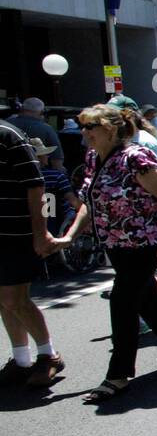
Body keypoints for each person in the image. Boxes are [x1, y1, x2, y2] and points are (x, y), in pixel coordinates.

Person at [54, 105, 157, 402]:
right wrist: (70, 236)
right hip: (115, 243)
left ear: (111, 129)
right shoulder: (92, 158)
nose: (85, 133)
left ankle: (118, 374)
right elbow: (88, 202)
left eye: (92, 127)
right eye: (84, 127)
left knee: (123, 301)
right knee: (147, 299)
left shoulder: (136, 157)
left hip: (145, 241)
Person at [0, 119, 63, 387]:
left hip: (15, 233)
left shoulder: (8, 135)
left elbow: (36, 186)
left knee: (15, 299)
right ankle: (21, 359)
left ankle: (49, 355)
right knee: (3, 300)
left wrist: (40, 232)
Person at [8, 97, 64, 170]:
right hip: (37, 172)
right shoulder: (46, 128)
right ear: (41, 111)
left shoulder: (6, 123)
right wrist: (58, 175)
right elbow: (56, 158)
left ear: (22, 108)